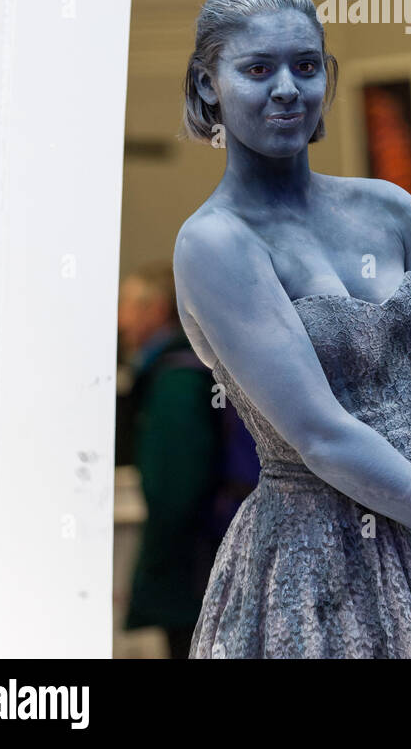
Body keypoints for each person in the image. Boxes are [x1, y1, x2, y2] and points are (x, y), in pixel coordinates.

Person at [174, 0, 411, 659]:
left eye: (306, 65)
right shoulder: (214, 242)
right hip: (318, 563)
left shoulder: (389, 207)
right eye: (257, 68)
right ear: (209, 87)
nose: (287, 87)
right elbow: (322, 436)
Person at [117, 261, 258, 658]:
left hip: (193, 571)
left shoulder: (176, 380)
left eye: (127, 305)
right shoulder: (207, 364)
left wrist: (155, 571)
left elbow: (171, 489)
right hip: (222, 557)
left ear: (156, 309)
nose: (120, 319)